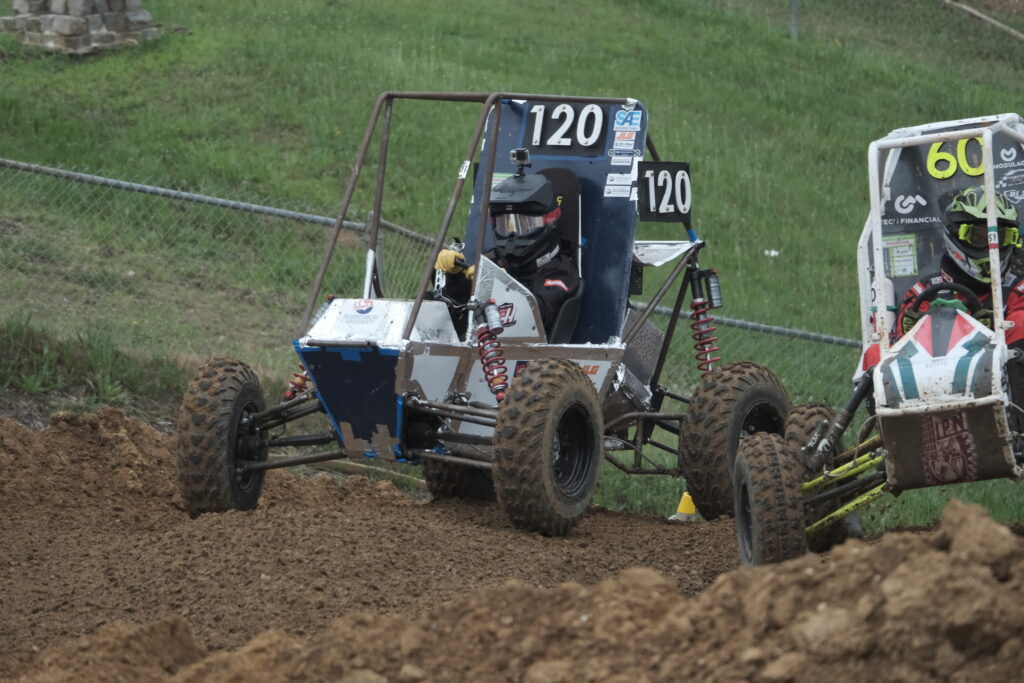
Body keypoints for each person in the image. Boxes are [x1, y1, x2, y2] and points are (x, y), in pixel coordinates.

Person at [434, 171, 581, 338]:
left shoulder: (560, 273)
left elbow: (537, 318)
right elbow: (458, 317)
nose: (514, 234)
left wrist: (503, 286)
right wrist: (455, 280)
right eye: (506, 225)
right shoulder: (492, 261)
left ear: (548, 222)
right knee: (425, 301)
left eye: (524, 225)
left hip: (527, 357)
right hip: (474, 350)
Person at [892, 185, 1024, 348]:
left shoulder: (1017, 291)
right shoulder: (925, 292)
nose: (989, 247)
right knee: (875, 352)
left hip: (1001, 370)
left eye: (999, 238)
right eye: (977, 237)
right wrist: (937, 320)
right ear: (954, 234)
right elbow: (900, 345)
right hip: (936, 370)